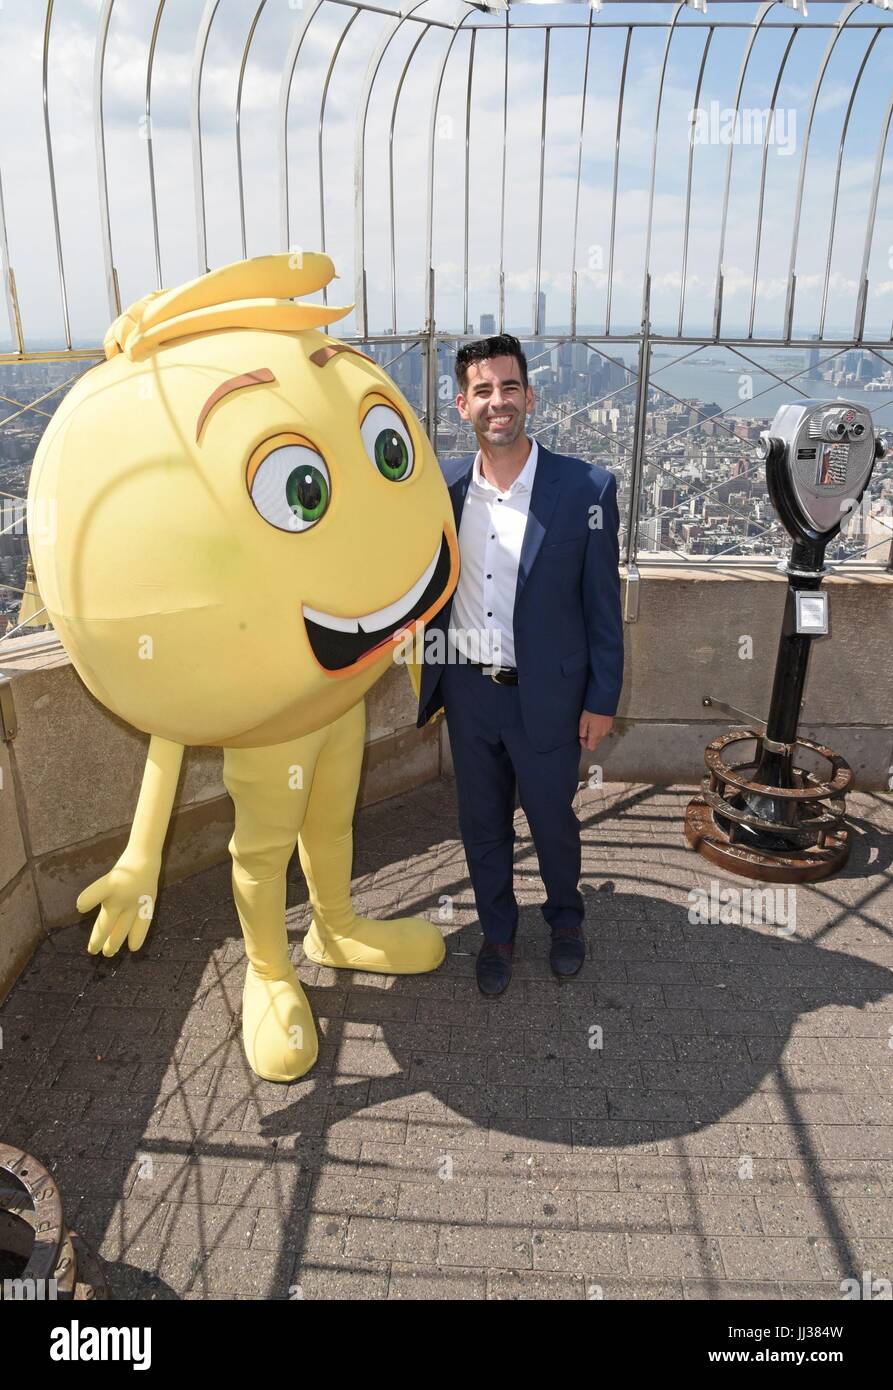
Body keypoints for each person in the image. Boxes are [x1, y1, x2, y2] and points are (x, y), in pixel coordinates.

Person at [415, 334, 624, 995]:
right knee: (480, 826)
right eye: (482, 390)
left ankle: (565, 920)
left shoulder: (585, 487)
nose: (496, 401)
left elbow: (601, 608)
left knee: (552, 820)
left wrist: (600, 699)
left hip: (549, 698)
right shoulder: (441, 488)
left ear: (529, 398)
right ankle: (497, 935)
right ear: (461, 405)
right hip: (469, 693)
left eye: (508, 387)